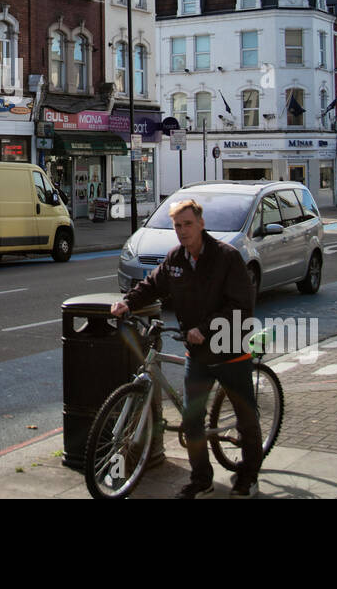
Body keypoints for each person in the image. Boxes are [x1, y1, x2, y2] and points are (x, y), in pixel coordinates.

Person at [110, 199, 260, 498]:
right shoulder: (176, 259)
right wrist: (128, 301)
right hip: (199, 354)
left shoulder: (226, 257)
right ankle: (201, 479)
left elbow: (241, 305)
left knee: (246, 418)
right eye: (177, 225)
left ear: (201, 224)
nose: (182, 231)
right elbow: (152, 284)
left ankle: (248, 477)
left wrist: (204, 330)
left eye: (187, 224)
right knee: (192, 421)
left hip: (230, 348)